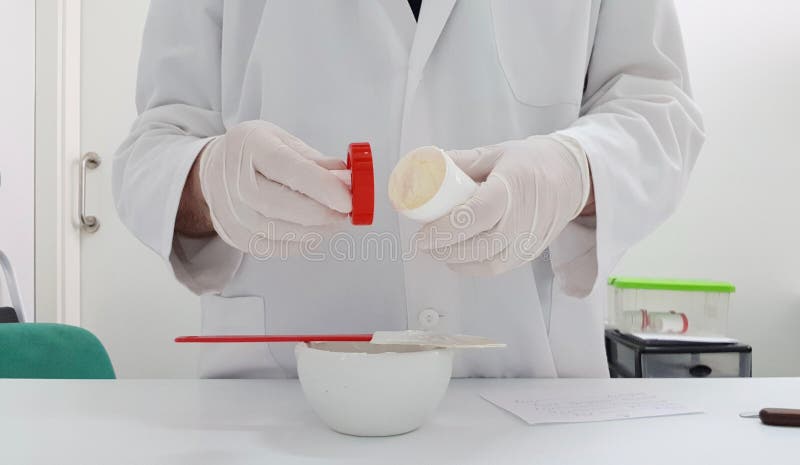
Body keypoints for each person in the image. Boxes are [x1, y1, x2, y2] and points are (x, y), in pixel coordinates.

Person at [113, 0, 703, 378]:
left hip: (526, 398)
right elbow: (153, 146)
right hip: (276, 403)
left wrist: (574, 171)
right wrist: (209, 180)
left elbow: (659, 112)